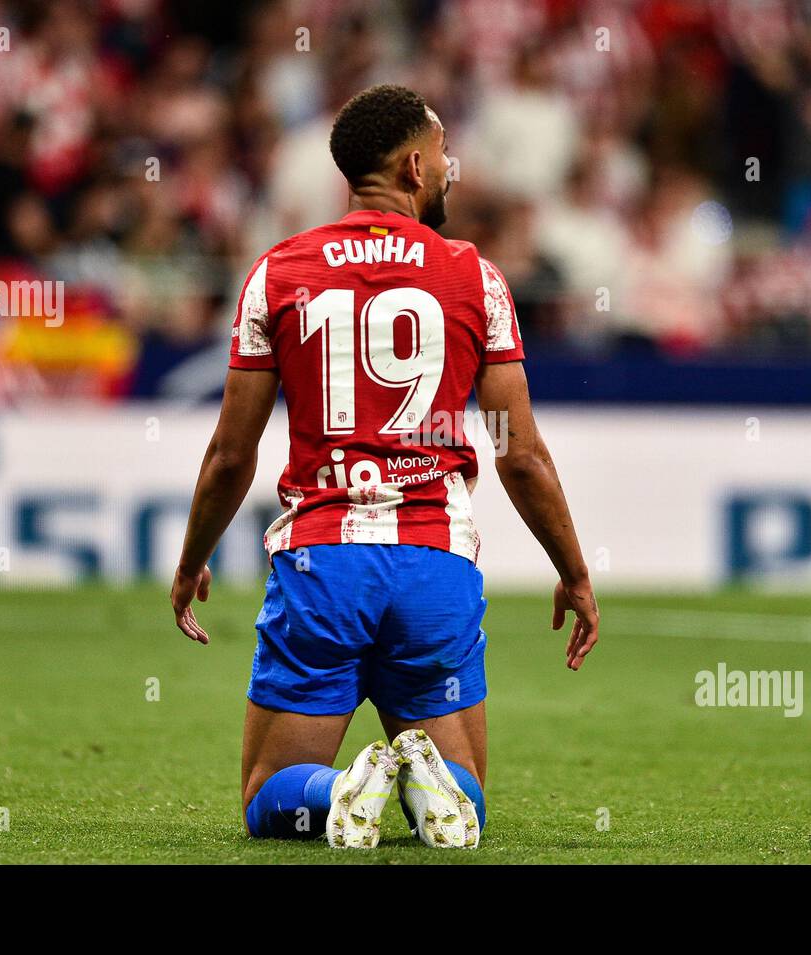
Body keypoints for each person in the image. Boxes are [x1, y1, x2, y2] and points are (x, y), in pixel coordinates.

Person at [170, 84, 598, 850]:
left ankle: (342, 790)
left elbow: (233, 453)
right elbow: (521, 455)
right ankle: (421, 784)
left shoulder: (280, 271)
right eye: (442, 157)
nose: (451, 171)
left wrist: (192, 558)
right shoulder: (477, 276)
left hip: (325, 560)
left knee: (268, 794)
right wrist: (573, 569)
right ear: (411, 166)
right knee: (461, 796)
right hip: (433, 563)